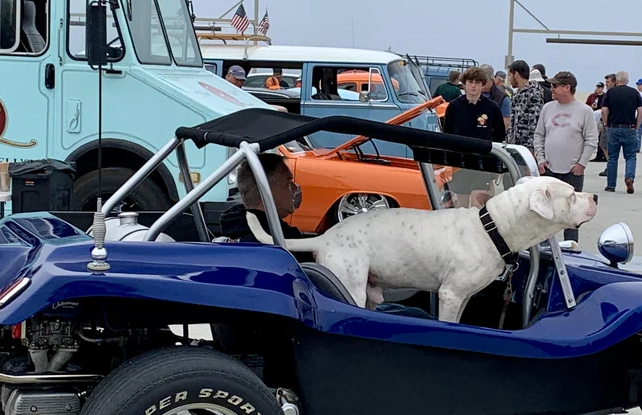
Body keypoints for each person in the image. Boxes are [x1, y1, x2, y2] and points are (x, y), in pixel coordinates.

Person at [219, 155, 433, 318]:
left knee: (411, 309)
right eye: (288, 182)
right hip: (327, 314)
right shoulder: (271, 238)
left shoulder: (251, 229)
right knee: (417, 316)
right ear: (267, 190)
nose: (295, 188)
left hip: (323, 308)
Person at [533, 71, 599, 242]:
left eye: (554, 86)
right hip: (548, 170)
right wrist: (540, 159)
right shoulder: (547, 108)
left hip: (572, 172)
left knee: (572, 214)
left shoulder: (585, 111)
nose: (551, 89)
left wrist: (581, 164)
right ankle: (545, 247)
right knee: (546, 213)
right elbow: (539, 135)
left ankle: (570, 247)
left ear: (567, 88)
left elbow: (591, 140)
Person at [442, 66, 506, 207]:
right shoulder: (454, 107)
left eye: (477, 82)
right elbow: (447, 136)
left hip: (483, 163)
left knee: (479, 204)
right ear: (464, 84)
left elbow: (499, 137)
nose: (473, 86)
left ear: (483, 85)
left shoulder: (492, 108)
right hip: (460, 163)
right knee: (462, 206)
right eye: (470, 82)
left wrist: (497, 165)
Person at [600, 71, 642, 193]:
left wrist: (605, 123)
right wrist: (637, 124)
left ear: (617, 80)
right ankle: (629, 177)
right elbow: (640, 110)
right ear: (627, 80)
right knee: (630, 156)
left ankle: (611, 185)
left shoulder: (610, 92)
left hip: (613, 128)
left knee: (612, 157)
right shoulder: (634, 92)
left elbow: (604, 110)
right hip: (629, 128)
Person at [505, 59, 545, 151]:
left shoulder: (534, 94)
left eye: (510, 75)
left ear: (516, 75)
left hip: (526, 150)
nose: (509, 79)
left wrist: (531, 149)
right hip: (514, 147)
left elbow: (534, 124)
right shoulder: (517, 94)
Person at [480, 64, 511, 128]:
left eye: (485, 81)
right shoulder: (472, 95)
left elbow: (506, 124)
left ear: (492, 79)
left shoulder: (503, 98)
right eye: (479, 81)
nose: (482, 84)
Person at [585, 82, 607, 162]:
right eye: (597, 87)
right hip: (593, 117)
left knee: (602, 137)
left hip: (602, 118)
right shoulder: (592, 96)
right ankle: (598, 155)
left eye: (600, 87)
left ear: (602, 88)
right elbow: (586, 105)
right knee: (596, 137)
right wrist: (591, 107)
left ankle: (604, 155)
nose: (598, 89)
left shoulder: (605, 96)